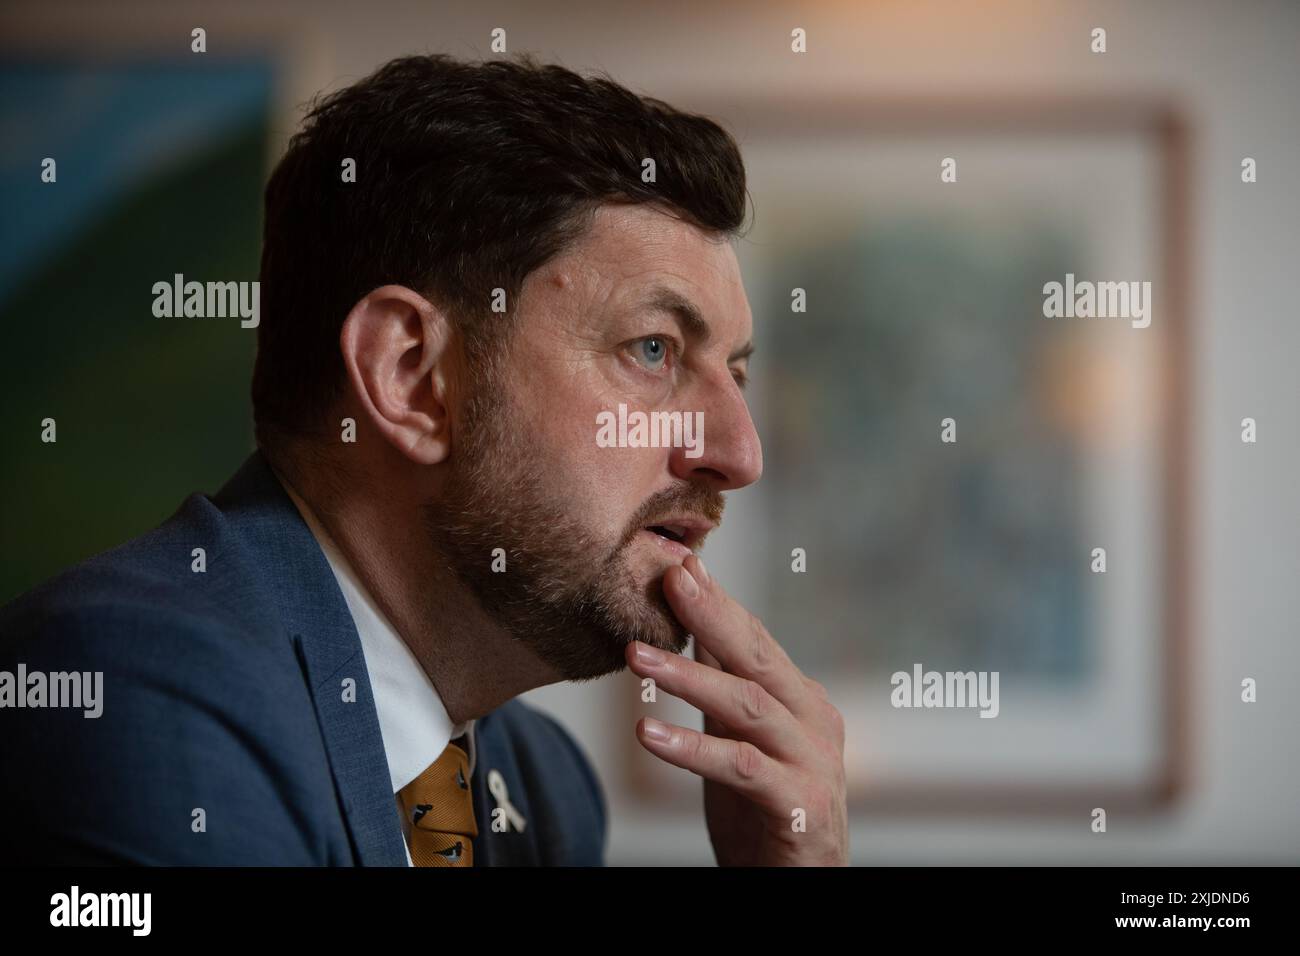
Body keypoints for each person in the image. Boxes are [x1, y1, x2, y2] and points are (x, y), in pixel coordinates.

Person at [0, 53, 847, 866]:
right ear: (411, 378)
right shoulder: (132, 692)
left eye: (733, 375)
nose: (739, 454)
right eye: (654, 349)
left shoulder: (545, 787)